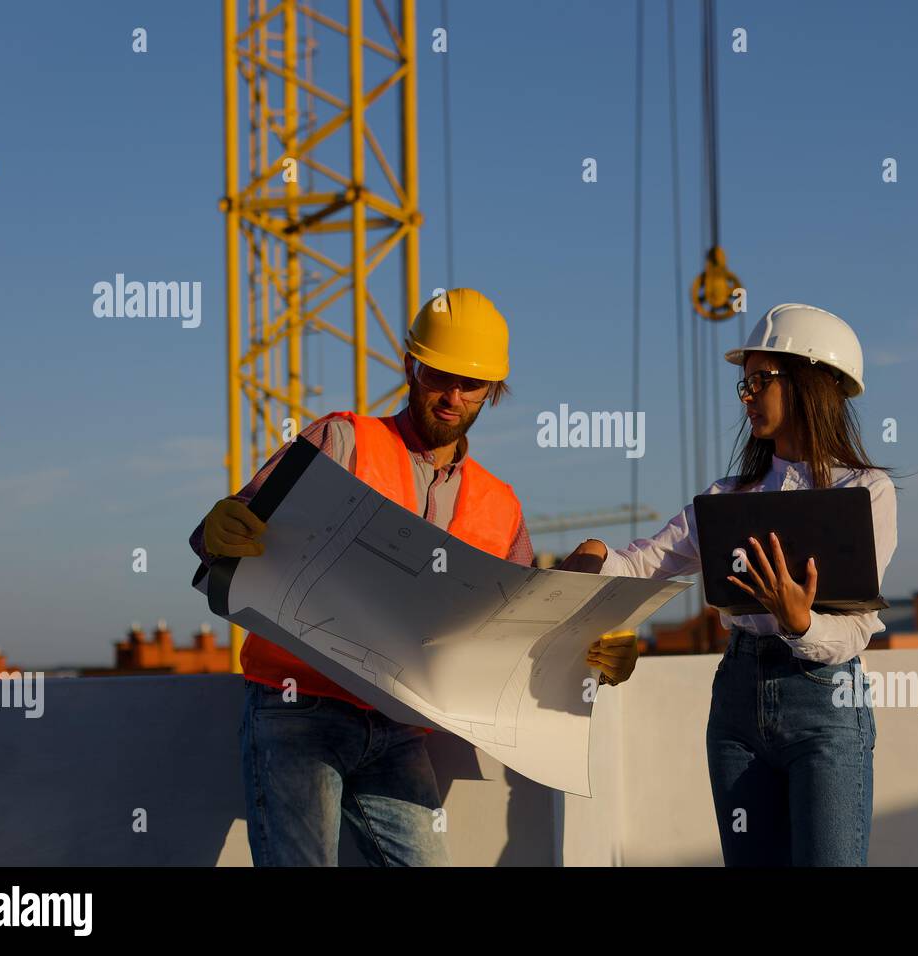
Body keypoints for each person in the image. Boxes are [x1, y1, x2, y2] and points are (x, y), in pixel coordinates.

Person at [189, 289, 635, 866]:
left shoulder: (501, 507)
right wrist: (215, 527)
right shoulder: (341, 442)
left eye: (469, 384)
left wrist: (589, 650)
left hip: (399, 727)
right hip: (297, 708)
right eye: (437, 375)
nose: (452, 395)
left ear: (492, 391)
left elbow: (521, 632)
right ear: (410, 365)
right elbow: (231, 540)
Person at [560, 303, 898, 866]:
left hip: (826, 703)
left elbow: (857, 629)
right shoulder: (727, 500)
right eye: (745, 383)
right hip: (737, 704)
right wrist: (599, 558)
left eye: (759, 381)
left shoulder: (866, 492)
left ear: (811, 383)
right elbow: (649, 563)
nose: (745, 396)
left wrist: (801, 623)